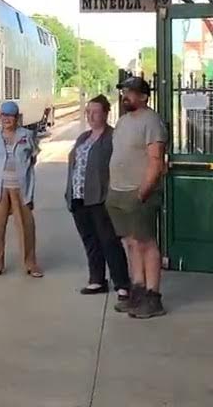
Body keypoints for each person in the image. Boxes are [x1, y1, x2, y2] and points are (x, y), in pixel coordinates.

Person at [106, 76, 168, 319]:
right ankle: (138, 289)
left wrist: (144, 190)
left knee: (146, 242)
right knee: (131, 242)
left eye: (130, 92)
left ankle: (153, 297)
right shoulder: (122, 122)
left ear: (143, 96)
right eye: (124, 91)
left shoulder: (151, 121)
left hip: (138, 192)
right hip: (118, 191)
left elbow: (155, 160)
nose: (126, 96)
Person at [65, 95, 132, 300]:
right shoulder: (83, 137)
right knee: (90, 240)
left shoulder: (112, 137)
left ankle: (122, 283)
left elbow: (120, 166)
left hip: (101, 198)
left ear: (105, 113)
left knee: (109, 241)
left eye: (95, 112)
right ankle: (97, 279)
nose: (91, 116)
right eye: (88, 112)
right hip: (79, 198)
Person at [0, 100, 43, 278]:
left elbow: (33, 156)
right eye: (4, 115)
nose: (6, 119)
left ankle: (30, 264)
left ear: (17, 118)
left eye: (10, 116)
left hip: (20, 187)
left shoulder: (27, 135)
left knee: (26, 226)